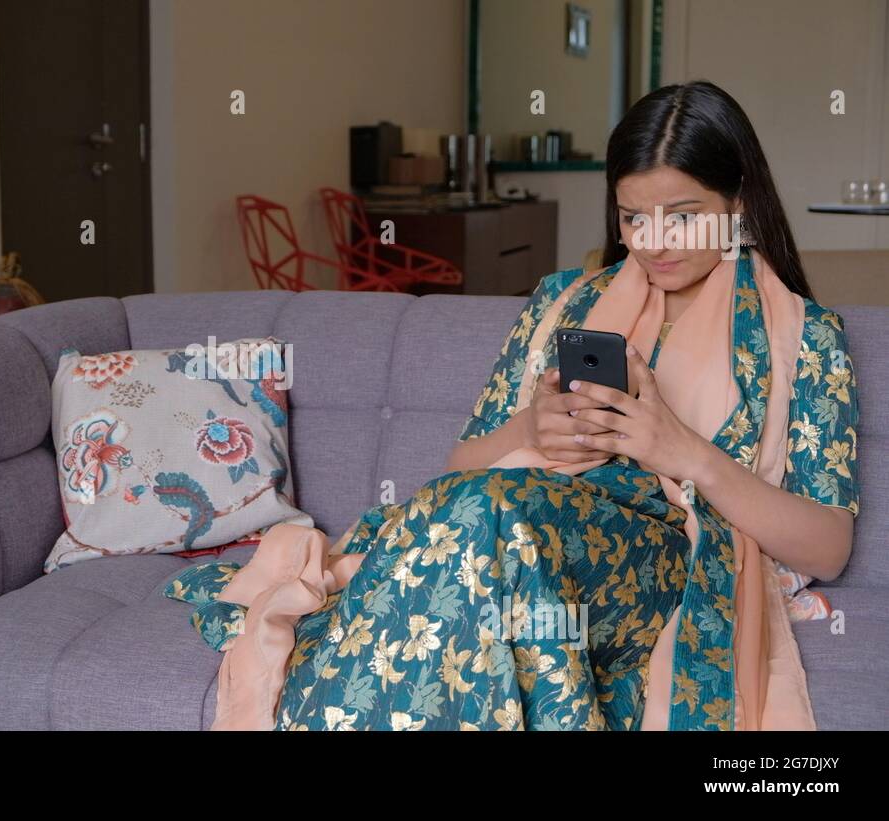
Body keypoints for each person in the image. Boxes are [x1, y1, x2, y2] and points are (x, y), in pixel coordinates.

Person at [167, 81, 859, 731]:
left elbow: (828, 545)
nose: (652, 241)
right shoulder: (565, 300)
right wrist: (533, 427)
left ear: (736, 205)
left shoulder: (804, 337)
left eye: (683, 216)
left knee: (476, 517)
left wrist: (684, 453)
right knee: (468, 513)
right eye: (632, 216)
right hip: (520, 531)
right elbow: (465, 459)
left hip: (665, 564)